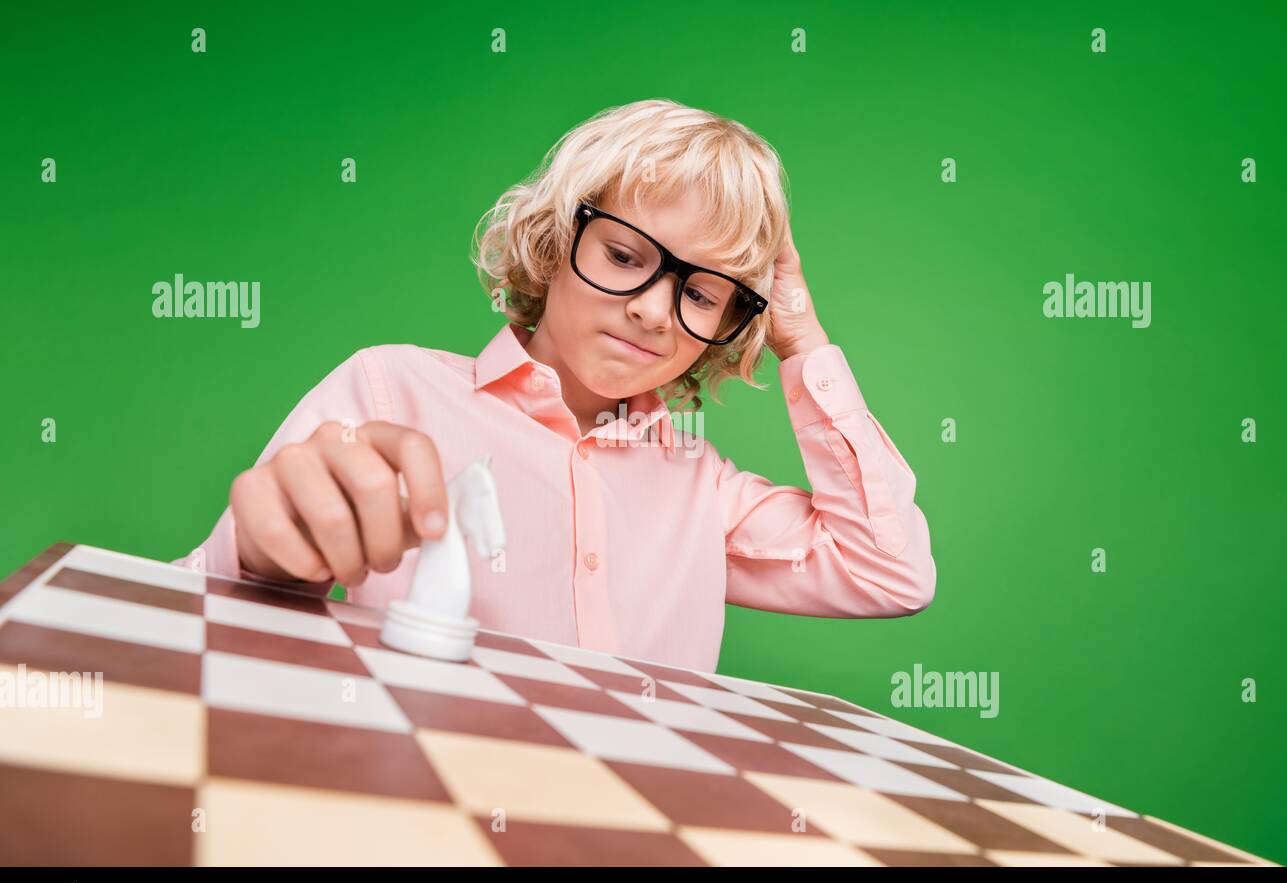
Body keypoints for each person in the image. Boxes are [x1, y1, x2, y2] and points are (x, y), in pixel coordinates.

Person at [175, 99, 936, 673]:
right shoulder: (390, 393)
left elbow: (888, 571)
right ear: (555, 239)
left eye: (702, 294)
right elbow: (193, 618)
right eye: (626, 255)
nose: (651, 309)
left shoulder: (699, 486)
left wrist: (800, 335)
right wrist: (262, 558)